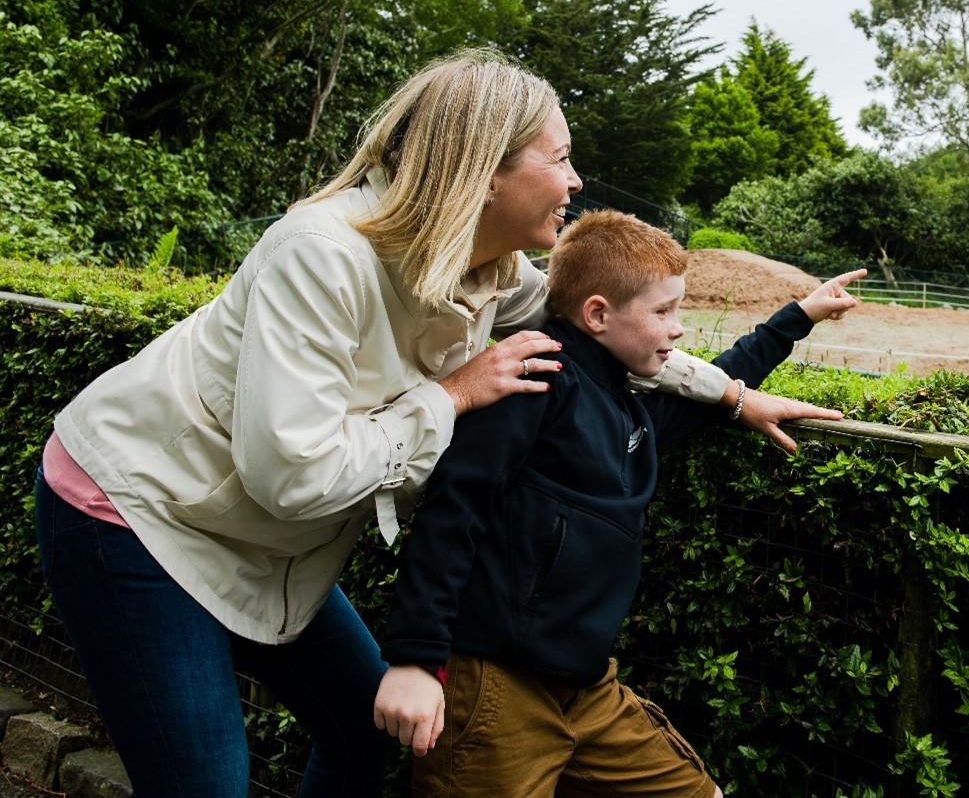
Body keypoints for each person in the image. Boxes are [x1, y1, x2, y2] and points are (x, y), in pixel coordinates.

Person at [31, 49, 838, 798]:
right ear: (485, 170)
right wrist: (448, 396)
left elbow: (608, 332)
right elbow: (290, 473)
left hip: (258, 542)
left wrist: (731, 394)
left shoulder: (489, 266)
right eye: (556, 157)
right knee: (207, 781)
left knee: (364, 724)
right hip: (138, 513)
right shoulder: (318, 254)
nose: (575, 177)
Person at [372, 207, 866, 798]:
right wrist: (416, 660)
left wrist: (799, 316)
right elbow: (453, 510)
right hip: (496, 687)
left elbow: (716, 379)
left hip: (589, 689)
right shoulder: (535, 383)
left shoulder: (626, 404)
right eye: (663, 311)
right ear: (598, 314)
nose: (678, 328)